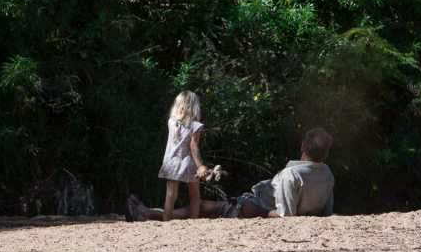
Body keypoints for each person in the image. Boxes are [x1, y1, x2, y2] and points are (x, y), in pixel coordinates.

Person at [126, 127, 336, 220]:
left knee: (201, 207)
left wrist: (257, 211)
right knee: (207, 208)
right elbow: (326, 212)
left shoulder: (292, 175)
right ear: (325, 153)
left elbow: (286, 216)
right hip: (253, 206)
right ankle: (150, 213)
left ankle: (147, 214)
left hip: (253, 208)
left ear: (302, 146)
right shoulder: (327, 174)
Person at [146, 90, 213, 220]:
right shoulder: (195, 126)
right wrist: (201, 166)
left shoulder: (171, 122)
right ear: (194, 107)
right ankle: (193, 219)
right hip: (187, 162)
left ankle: (167, 219)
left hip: (170, 161)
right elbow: (193, 147)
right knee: (194, 195)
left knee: (171, 194)